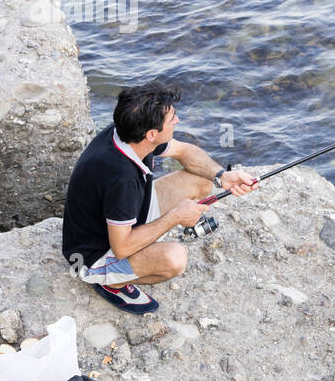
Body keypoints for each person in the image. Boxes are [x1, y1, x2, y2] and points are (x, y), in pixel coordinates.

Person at [61, 81, 258, 313]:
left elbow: (185, 152)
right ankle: (110, 282)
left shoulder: (128, 133)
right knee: (175, 259)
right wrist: (175, 217)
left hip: (127, 215)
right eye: (172, 117)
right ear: (152, 134)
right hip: (94, 256)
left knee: (203, 179)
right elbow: (122, 248)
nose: (177, 120)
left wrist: (222, 176)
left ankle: (142, 239)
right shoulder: (121, 179)